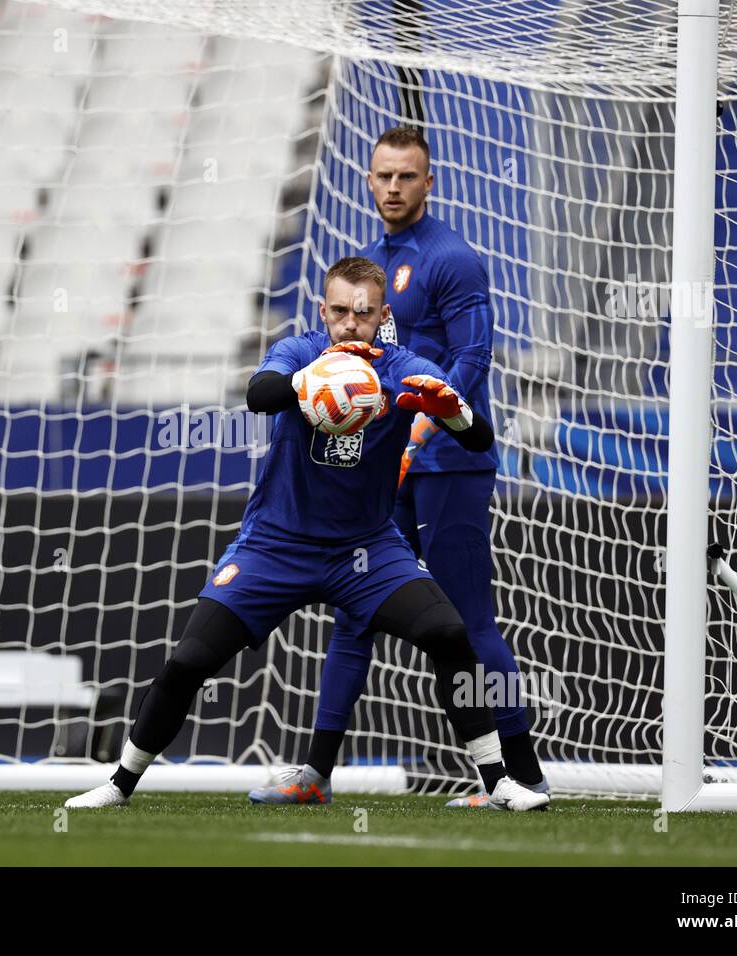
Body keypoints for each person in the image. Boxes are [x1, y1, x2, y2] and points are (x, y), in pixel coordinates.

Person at [64, 257, 549, 812]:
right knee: (190, 661)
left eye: (363, 314)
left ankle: (496, 783)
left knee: (448, 634)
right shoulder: (299, 352)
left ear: (383, 315)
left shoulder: (400, 364)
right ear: (324, 311)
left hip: (365, 548)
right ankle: (118, 784)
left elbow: (477, 435)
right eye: (339, 312)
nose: (350, 324)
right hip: (276, 544)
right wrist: (311, 381)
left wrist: (453, 411)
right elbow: (258, 394)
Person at [250, 126, 547, 808]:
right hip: (388, 469)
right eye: (383, 175)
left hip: (447, 468)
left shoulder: (453, 260)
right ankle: (317, 776)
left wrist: (423, 426)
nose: (393, 187)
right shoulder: (371, 265)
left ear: (428, 182)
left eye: (407, 176)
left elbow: (473, 361)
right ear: (369, 178)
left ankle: (522, 773)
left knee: (470, 624)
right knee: (354, 617)